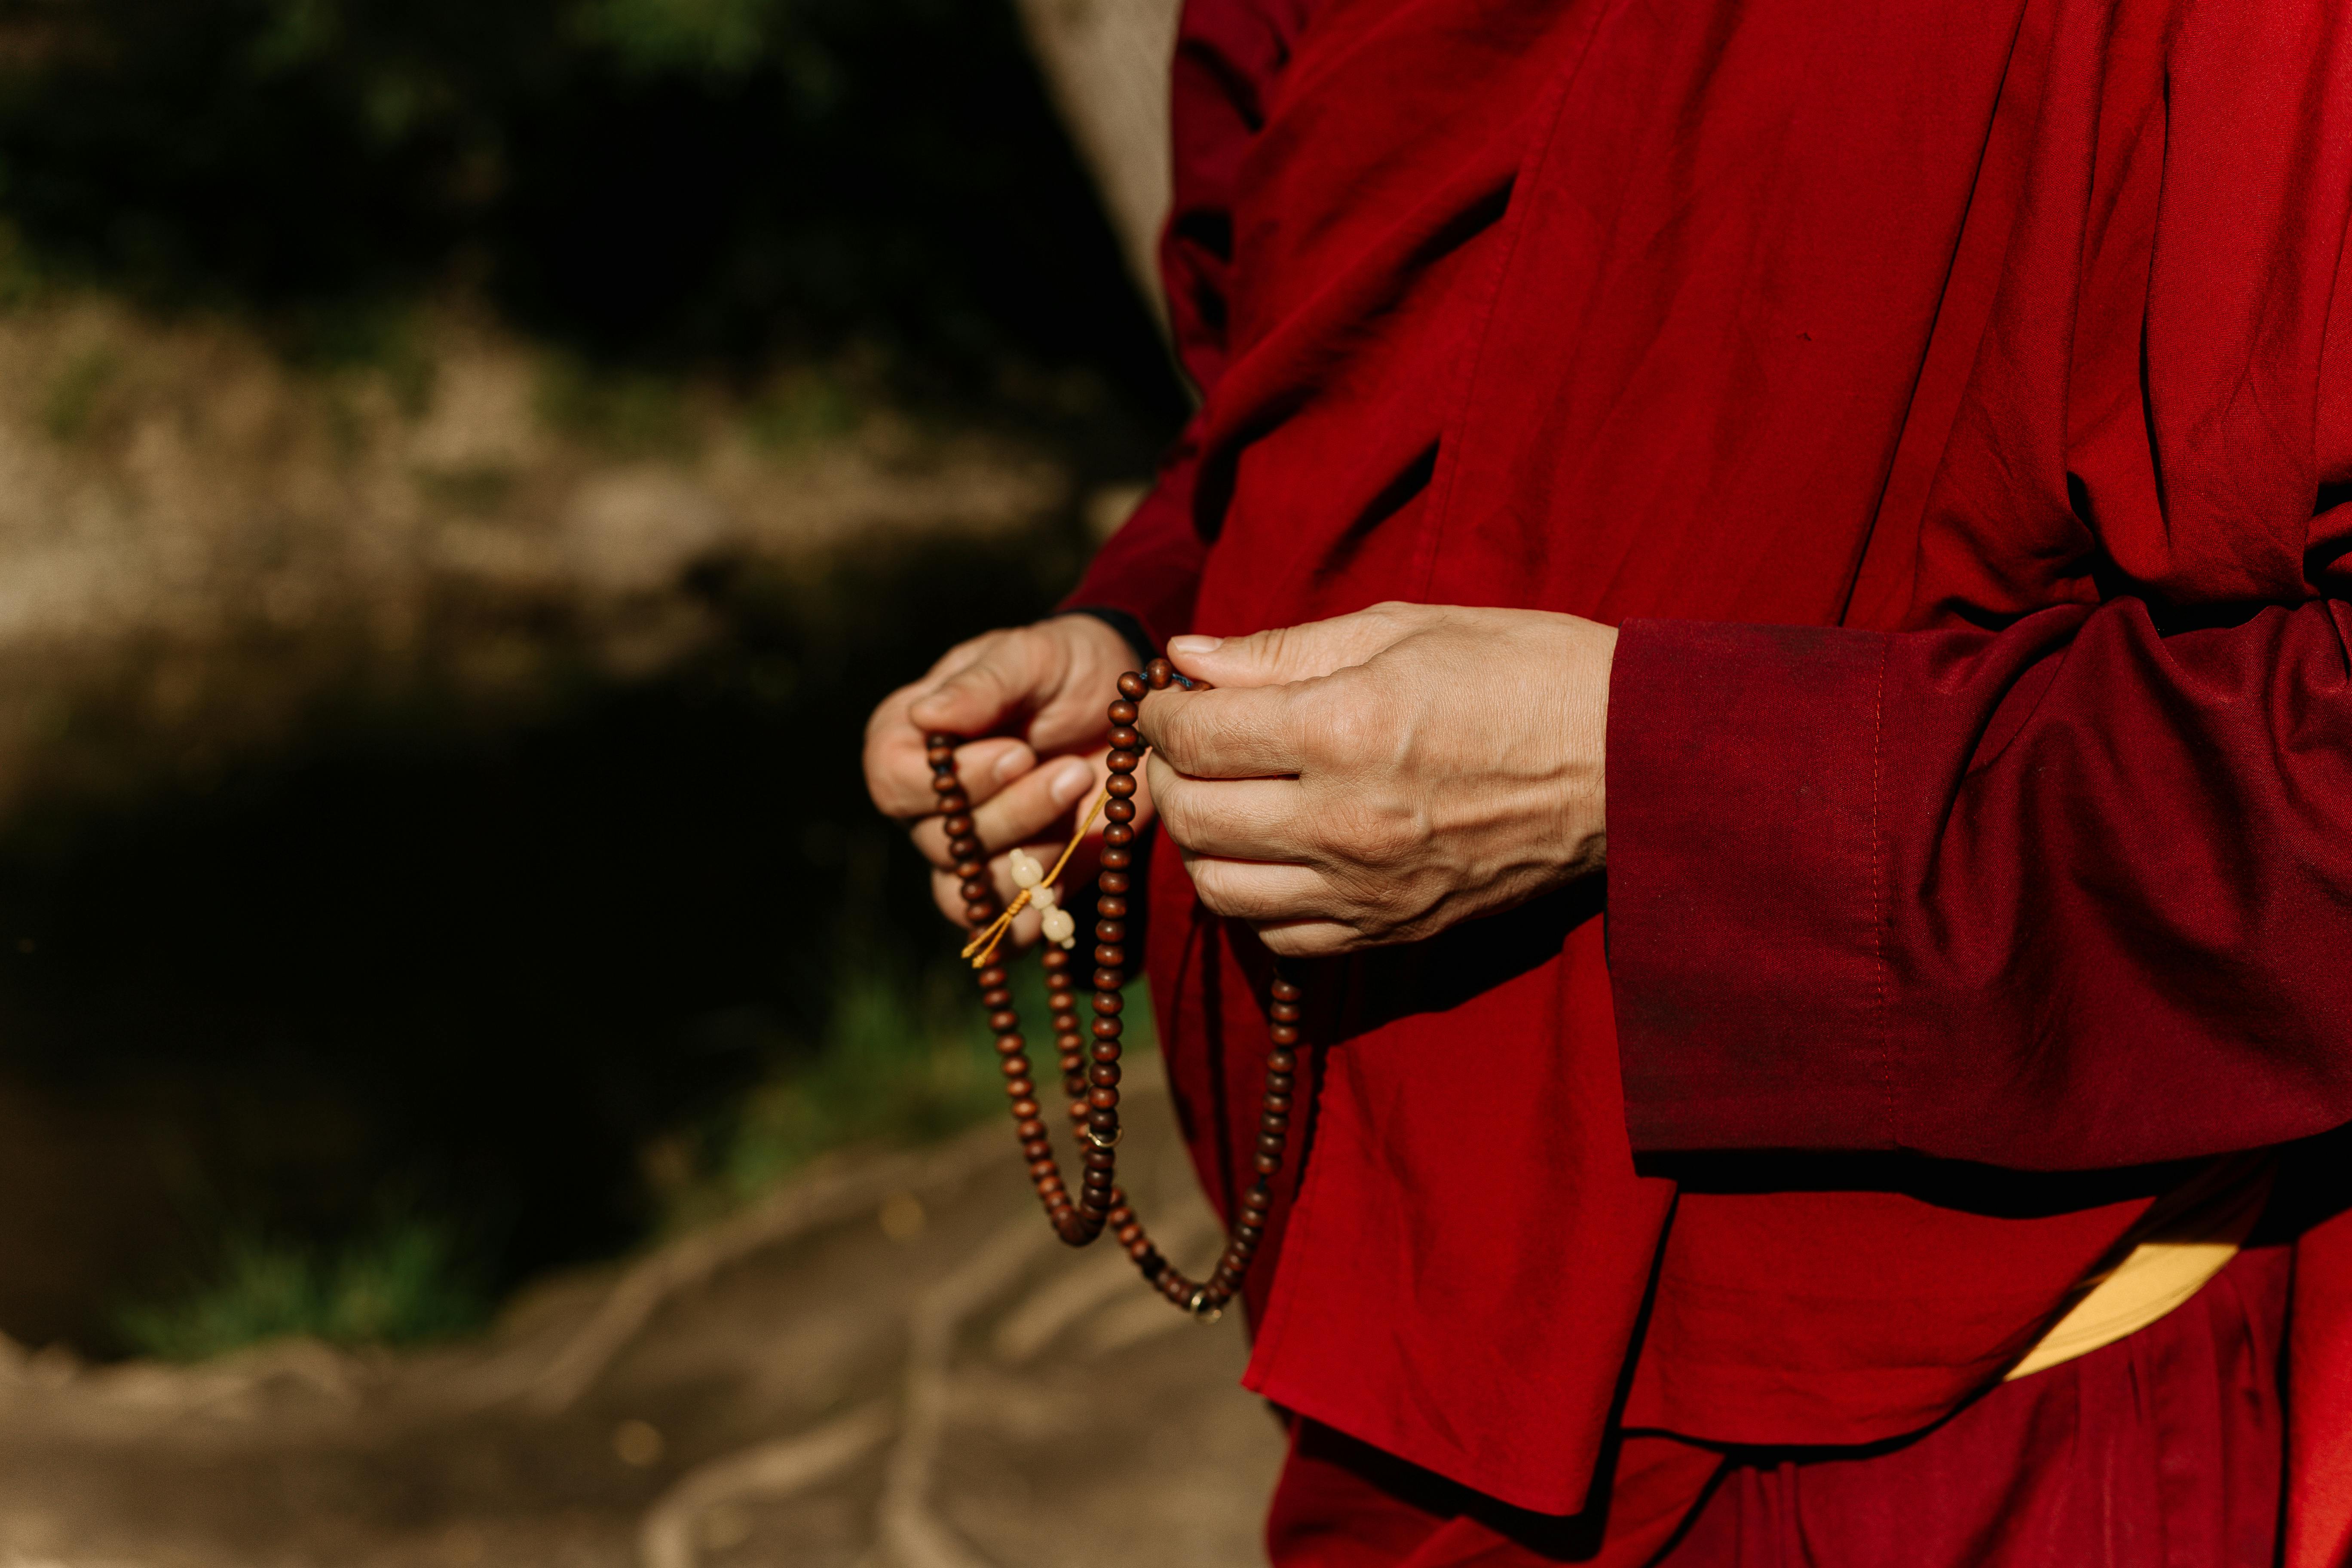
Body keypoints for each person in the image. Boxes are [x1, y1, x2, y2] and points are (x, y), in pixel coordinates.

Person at [864, 0, 2352, 1560]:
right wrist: (1148, 644)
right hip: (1389, 1339)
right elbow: (1291, 379)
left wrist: (1641, 779)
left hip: (1965, 1417)